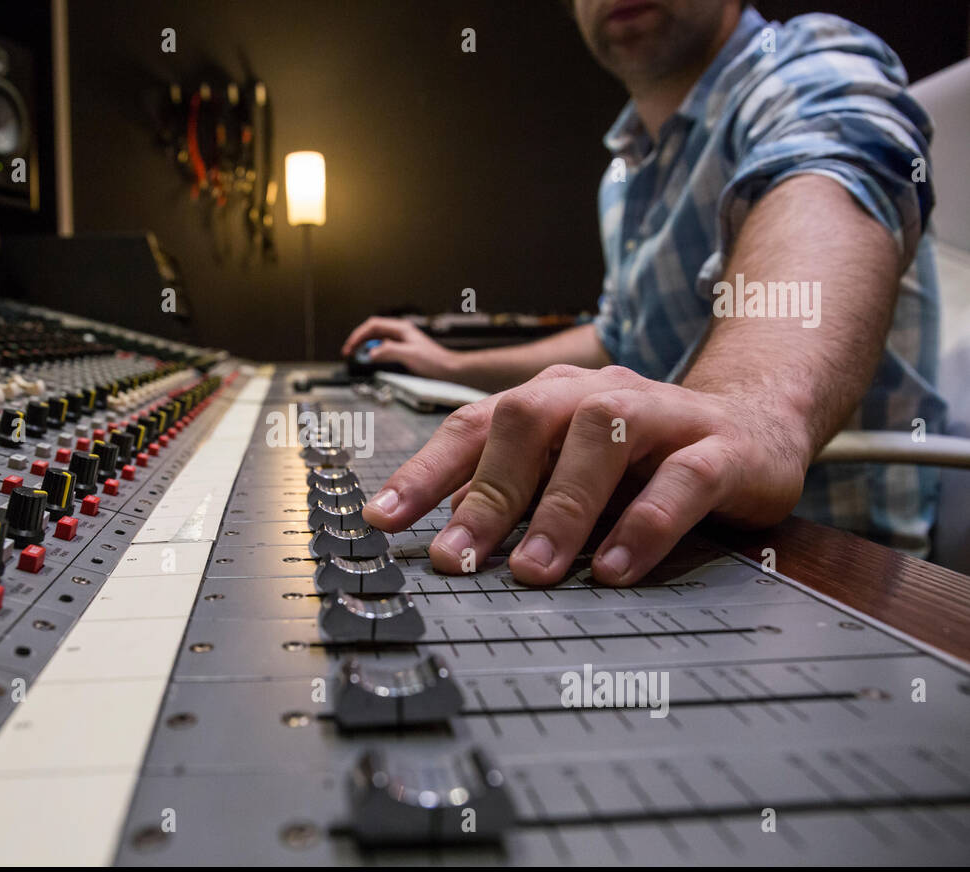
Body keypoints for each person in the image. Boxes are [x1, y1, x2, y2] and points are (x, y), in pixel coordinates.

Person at [343, 0, 944, 587]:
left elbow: (828, 177)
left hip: (831, 566)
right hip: (667, 541)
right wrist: (451, 365)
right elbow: (617, 338)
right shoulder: (623, 179)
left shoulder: (810, 65)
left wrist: (756, 414)